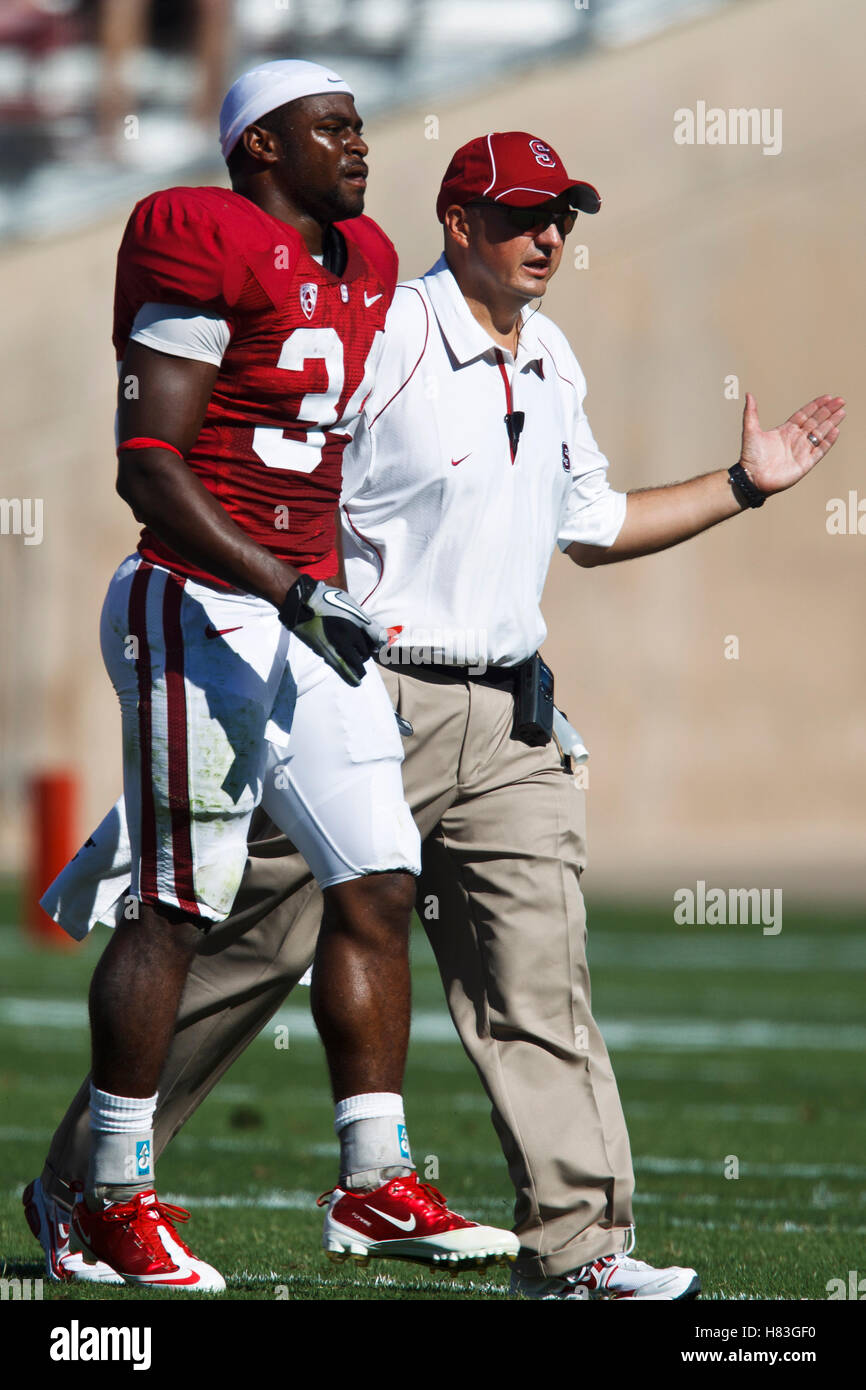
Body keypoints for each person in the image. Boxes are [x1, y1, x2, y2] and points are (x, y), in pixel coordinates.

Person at [28, 131, 845, 1300]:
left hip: (509, 716)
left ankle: (579, 1253)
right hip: (363, 689)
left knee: (538, 991)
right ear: (455, 223)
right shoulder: (386, 332)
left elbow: (593, 524)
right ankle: (86, 1185)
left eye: (562, 214)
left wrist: (739, 487)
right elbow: (270, 457)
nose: (548, 236)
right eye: (521, 216)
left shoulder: (551, 353)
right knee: (245, 952)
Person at [26, 67, 520, 1292]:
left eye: (358, 125)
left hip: (302, 611)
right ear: (258, 144)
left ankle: (371, 1182)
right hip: (195, 601)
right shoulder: (190, 232)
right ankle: (109, 1197)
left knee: (375, 878)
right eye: (331, 127)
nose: (360, 145)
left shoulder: (364, 255)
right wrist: (289, 586)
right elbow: (150, 467)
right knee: (177, 909)